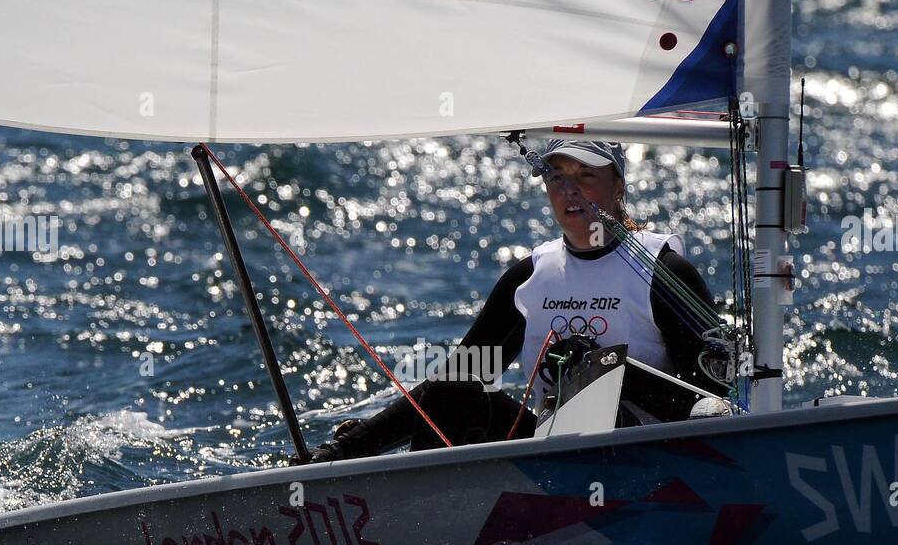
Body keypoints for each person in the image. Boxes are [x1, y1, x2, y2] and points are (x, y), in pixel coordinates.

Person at [309, 138, 724, 463]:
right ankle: (398, 505)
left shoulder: (662, 272)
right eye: (558, 177)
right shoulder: (529, 278)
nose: (570, 190)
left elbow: (713, 398)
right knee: (457, 390)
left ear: (618, 186)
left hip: (649, 457)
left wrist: (605, 373)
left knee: (601, 373)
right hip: (549, 455)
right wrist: (352, 445)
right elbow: (458, 379)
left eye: (586, 176)